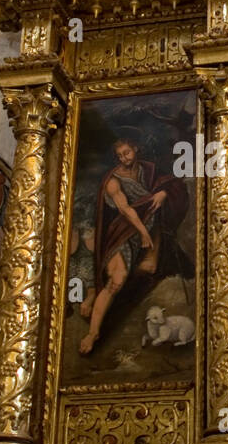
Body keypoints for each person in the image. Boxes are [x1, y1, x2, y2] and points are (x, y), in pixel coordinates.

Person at [79, 139, 191, 355]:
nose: (124, 158)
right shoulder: (113, 181)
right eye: (120, 155)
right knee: (117, 279)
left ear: (135, 149)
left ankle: (103, 295)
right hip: (123, 232)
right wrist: (143, 234)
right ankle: (93, 333)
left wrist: (163, 193)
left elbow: (171, 184)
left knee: (149, 269)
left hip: (150, 226)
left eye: (127, 152)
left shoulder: (148, 170)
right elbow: (126, 210)